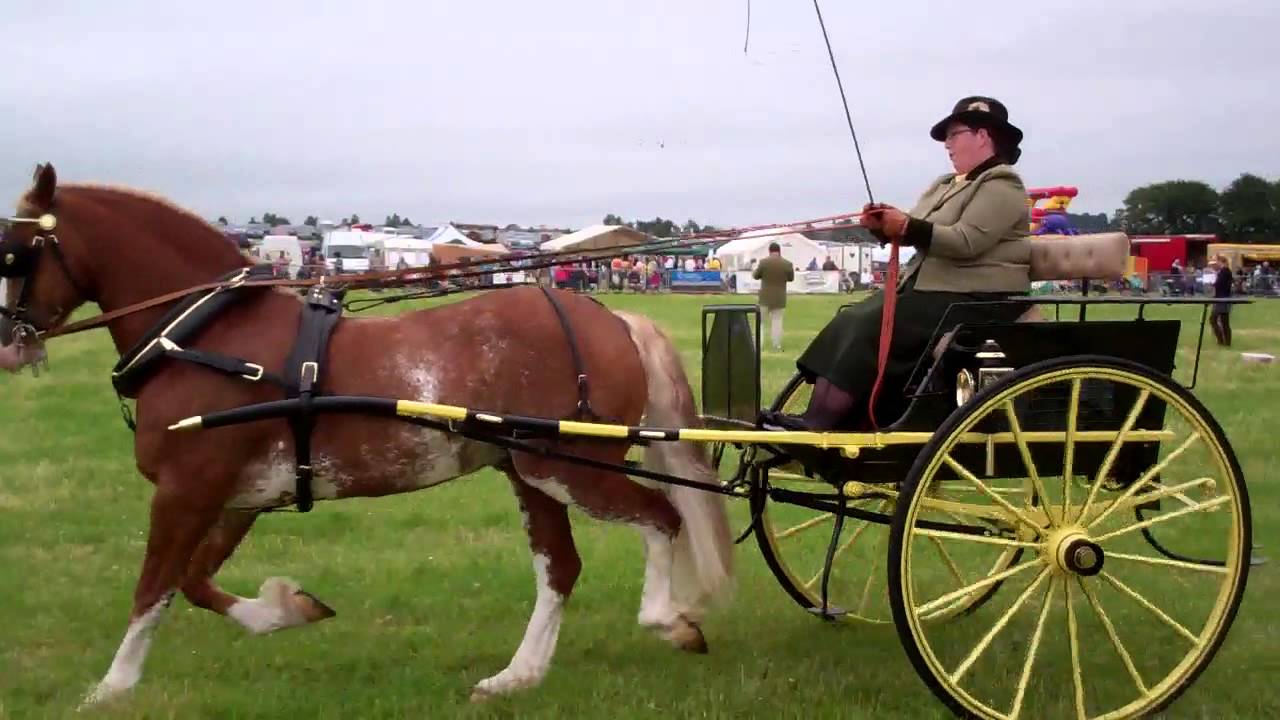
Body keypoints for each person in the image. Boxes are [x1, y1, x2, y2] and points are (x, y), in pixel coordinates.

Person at [767, 96, 1032, 430]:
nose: (947, 144)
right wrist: (885, 224)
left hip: (976, 299)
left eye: (954, 134)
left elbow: (966, 241)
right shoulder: (946, 184)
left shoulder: (1003, 183)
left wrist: (907, 226)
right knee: (852, 317)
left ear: (983, 135)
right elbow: (917, 228)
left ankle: (823, 420)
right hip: (932, 292)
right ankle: (825, 417)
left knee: (868, 325)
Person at [753, 242, 795, 351]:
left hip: (765, 298)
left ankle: (758, 345)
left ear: (769, 251)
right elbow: (791, 278)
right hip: (779, 297)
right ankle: (776, 346)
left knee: (760, 322)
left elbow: (756, 276)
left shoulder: (763, 262)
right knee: (777, 322)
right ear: (779, 251)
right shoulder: (787, 264)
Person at [1211, 255, 1233, 346]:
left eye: (1217, 262)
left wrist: (1213, 283)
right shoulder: (1224, 271)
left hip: (1222, 299)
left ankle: (1222, 341)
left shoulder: (1224, 271)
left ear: (1221, 262)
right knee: (1223, 321)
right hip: (1222, 299)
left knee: (1214, 320)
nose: (1216, 264)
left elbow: (1219, 284)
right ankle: (1225, 341)